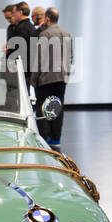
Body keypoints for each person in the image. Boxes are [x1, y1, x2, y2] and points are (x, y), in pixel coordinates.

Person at [32, 8, 72, 148]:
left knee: (43, 108)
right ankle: (56, 139)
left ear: (47, 19)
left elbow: (39, 59)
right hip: (62, 78)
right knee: (57, 107)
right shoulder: (66, 34)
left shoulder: (45, 34)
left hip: (46, 78)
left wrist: (34, 79)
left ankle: (43, 139)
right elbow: (70, 57)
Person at [5, 0, 34, 111]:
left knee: (20, 96)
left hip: (20, 68)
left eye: (14, 12)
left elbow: (16, 50)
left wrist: (11, 64)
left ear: (20, 12)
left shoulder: (20, 28)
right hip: (28, 68)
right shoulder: (31, 27)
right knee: (25, 94)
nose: (13, 15)